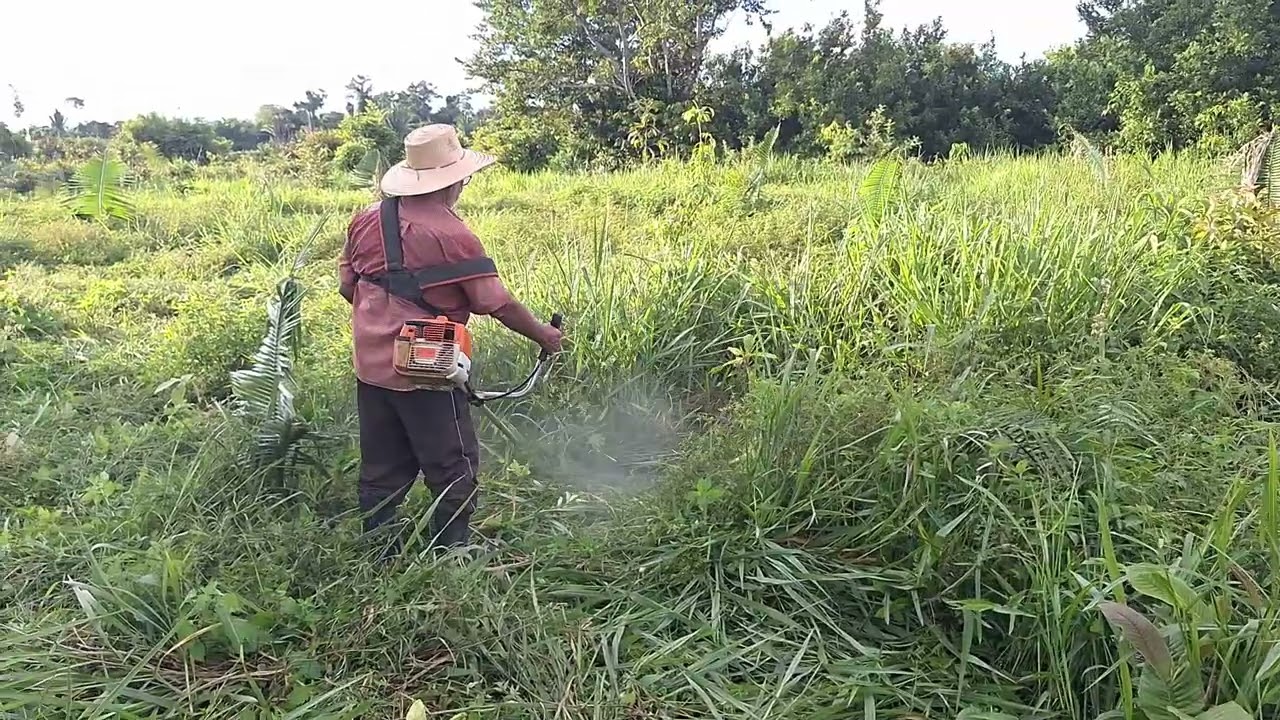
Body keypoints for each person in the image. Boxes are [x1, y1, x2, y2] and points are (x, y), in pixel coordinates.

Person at [338, 124, 562, 557]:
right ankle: (450, 551)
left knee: (382, 464)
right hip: (426, 367)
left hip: (369, 366)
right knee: (452, 462)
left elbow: (349, 286)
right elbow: (494, 303)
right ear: (455, 179)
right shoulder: (452, 235)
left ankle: (380, 549)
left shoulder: (366, 219)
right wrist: (545, 336)